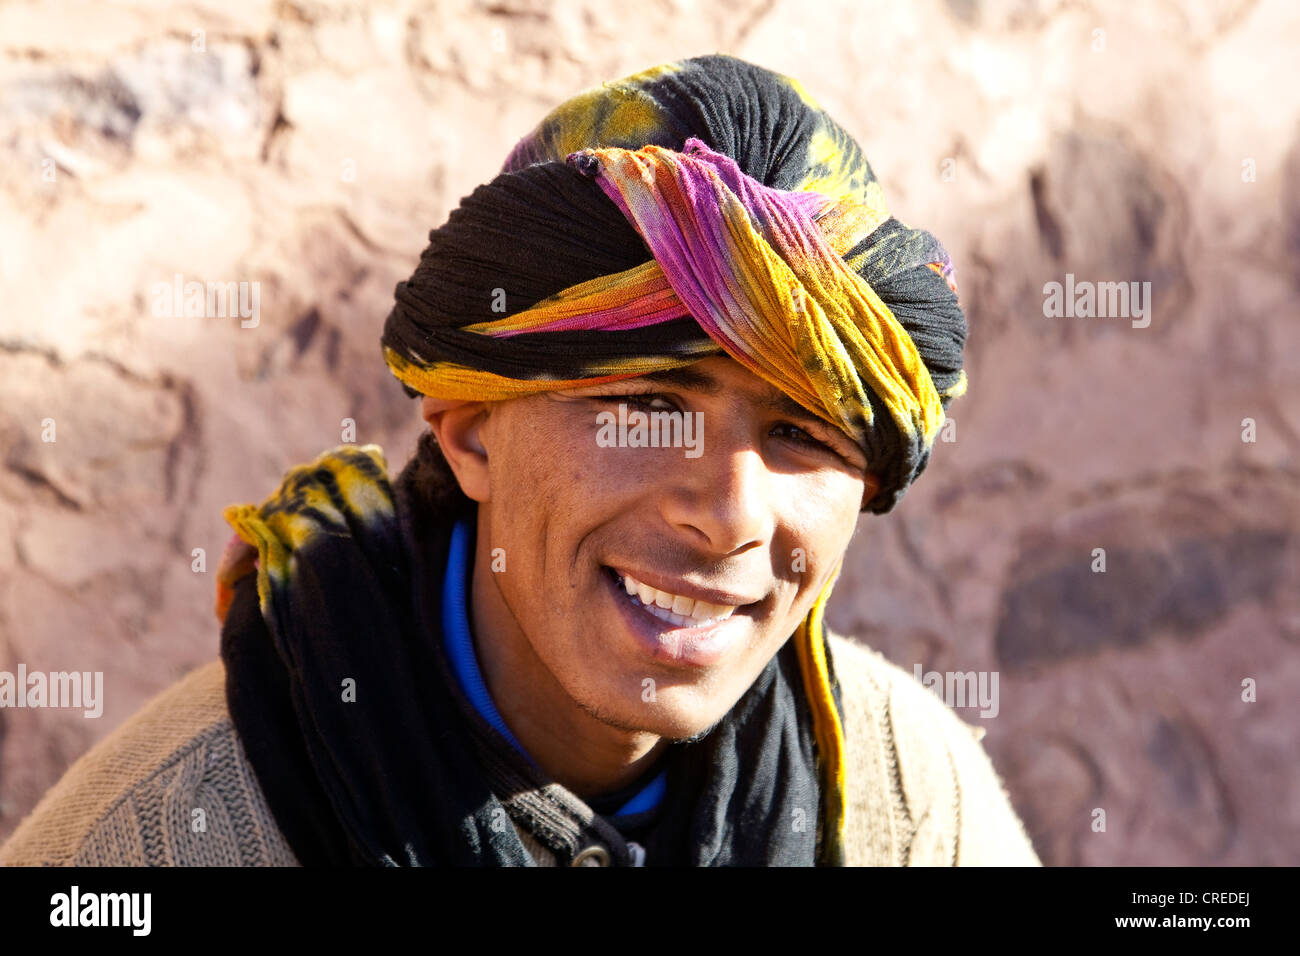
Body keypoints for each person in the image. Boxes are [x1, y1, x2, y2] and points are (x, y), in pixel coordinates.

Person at [0, 54, 1040, 867]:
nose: (730, 514)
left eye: (801, 431)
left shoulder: (911, 803)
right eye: (645, 404)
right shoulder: (165, 837)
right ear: (469, 431)